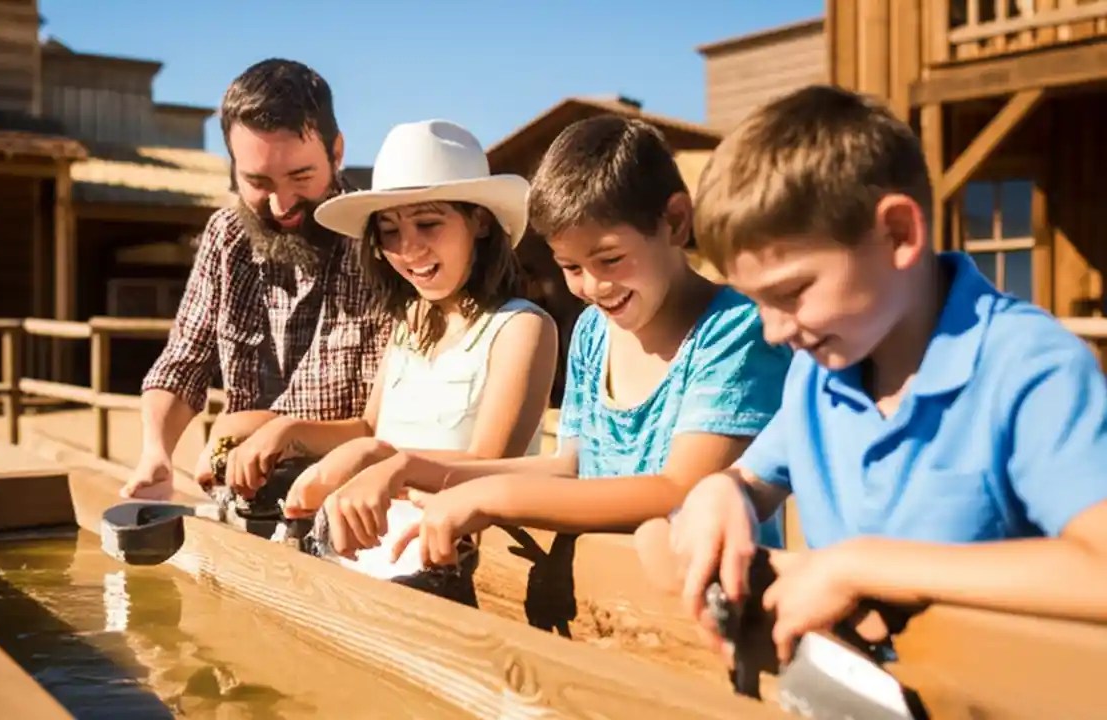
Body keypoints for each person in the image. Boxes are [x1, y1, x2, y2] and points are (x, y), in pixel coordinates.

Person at [655, 84, 1107, 665]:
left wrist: (860, 565)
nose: (772, 330)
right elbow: (754, 480)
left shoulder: (1028, 368)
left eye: (790, 292)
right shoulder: (818, 373)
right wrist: (722, 491)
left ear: (898, 234)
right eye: (755, 301)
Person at [336, 115, 791, 564]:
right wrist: (414, 470)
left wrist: (492, 495)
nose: (592, 287)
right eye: (571, 267)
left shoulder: (737, 329)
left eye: (610, 258)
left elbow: (682, 489)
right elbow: (572, 465)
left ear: (674, 221)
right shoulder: (593, 330)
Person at [255, 119, 559, 567]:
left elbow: (487, 463)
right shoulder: (408, 322)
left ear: (479, 221)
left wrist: (375, 459)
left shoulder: (521, 328)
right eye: (390, 231)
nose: (408, 249)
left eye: (429, 223)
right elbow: (368, 429)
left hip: (448, 560)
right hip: (361, 549)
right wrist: (288, 430)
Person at [120, 59, 391, 501]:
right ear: (232, 167)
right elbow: (183, 362)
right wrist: (157, 453)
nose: (282, 204)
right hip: (239, 497)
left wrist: (247, 427)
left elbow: (380, 421)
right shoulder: (226, 237)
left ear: (336, 152)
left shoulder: (383, 244)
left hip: (346, 502)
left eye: (301, 177)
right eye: (258, 181)